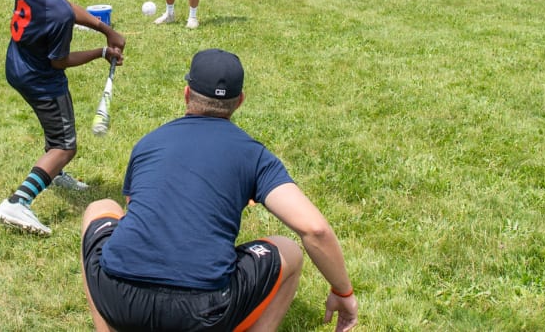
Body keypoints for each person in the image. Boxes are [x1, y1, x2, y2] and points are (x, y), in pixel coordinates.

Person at [80, 49, 359, 332]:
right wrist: (343, 292)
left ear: (187, 93)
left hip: (117, 296)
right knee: (289, 251)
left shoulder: (148, 143)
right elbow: (315, 229)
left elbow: (134, 210)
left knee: (99, 208)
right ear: (239, 102)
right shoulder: (253, 154)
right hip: (204, 310)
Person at [0, 0, 127, 236]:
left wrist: (104, 28)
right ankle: (18, 201)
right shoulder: (59, 16)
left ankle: (54, 173)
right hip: (42, 80)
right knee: (64, 145)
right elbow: (60, 61)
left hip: (17, 65)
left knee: (54, 129)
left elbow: (63, 4)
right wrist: (101, 52)